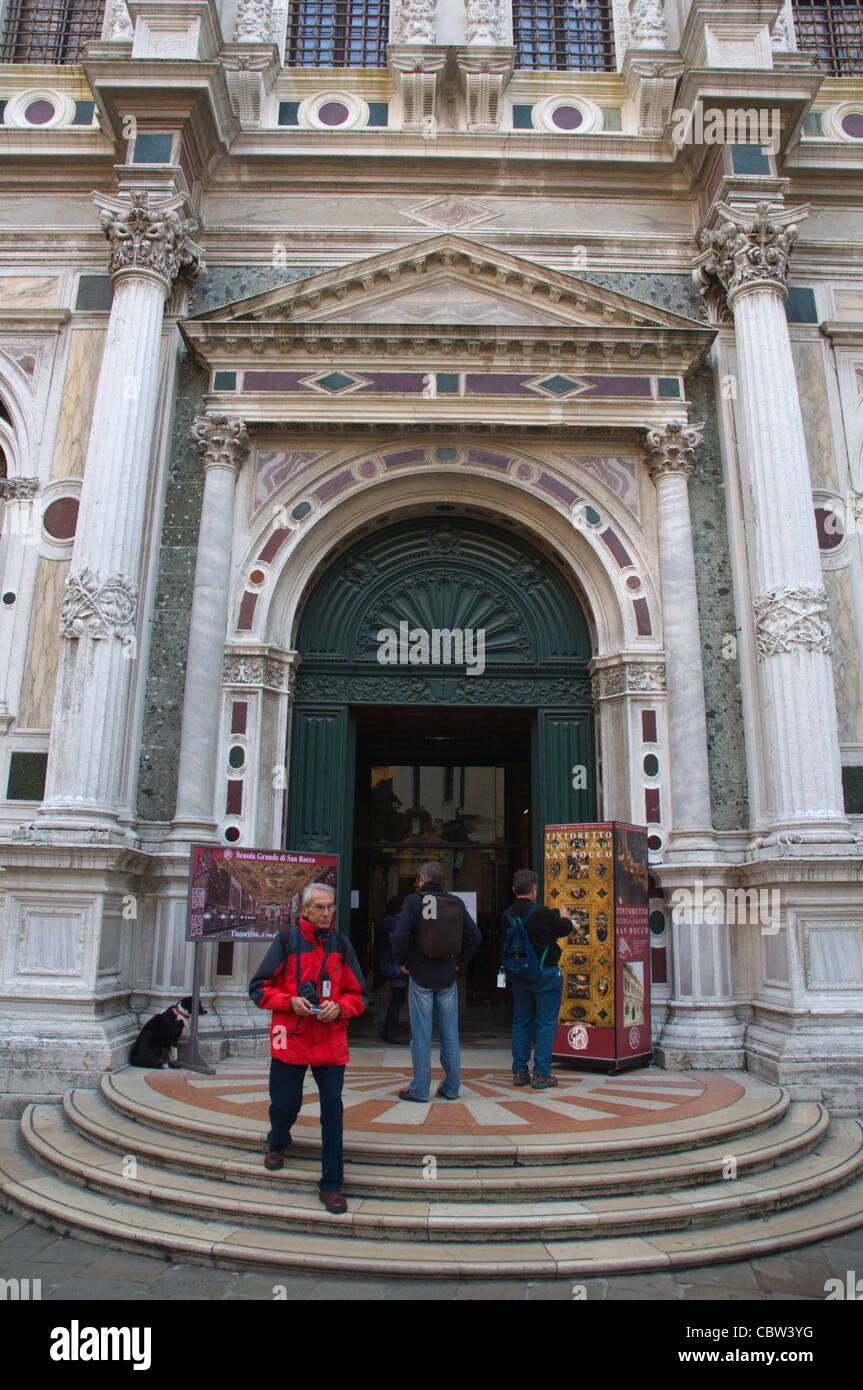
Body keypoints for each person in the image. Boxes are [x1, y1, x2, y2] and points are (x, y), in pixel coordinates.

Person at [248, 882, 367, 1213]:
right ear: (304, 910)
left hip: (330, 1040)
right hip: (291, 1035)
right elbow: (258, 988)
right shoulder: (285, 943)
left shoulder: (342, 946)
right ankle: (278, 1140)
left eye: (330, 907)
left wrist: (340, 1007)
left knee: (333, 1110)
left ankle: (331, 1184)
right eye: (320, 908)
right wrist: (290, 1002)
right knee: (286, 1102)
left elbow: (359, 995)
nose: (327, 913)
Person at [391, 861, 481, 1102]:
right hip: (447, 975)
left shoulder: (413, 901)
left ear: (421, 879)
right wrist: (459, 961)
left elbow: (400, 935)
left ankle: (420, 1089)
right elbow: (475, 936)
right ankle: (451, 1087)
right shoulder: (455, 902)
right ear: (444, 882)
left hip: (420, 974)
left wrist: (402, 961)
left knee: (420, 1034)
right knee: (450, 1034)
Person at [503, 869, 570, 1089]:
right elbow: (563, 930)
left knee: (521, 1021)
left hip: (520, 975)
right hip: (545, 974)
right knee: (545, 1022)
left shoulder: (508, 914)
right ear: (534, 889)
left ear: (514, 889)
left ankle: (520, 1072)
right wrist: (565, 917)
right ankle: (541, 1074)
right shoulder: (542, 912)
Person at [377, 895, 408, 1044]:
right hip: (396, 966)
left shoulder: (387, 922)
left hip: (390, 964)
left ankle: (387, 1030)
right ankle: (391, 1032)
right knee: (397, 999)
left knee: (397, 999)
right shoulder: (394, 923)